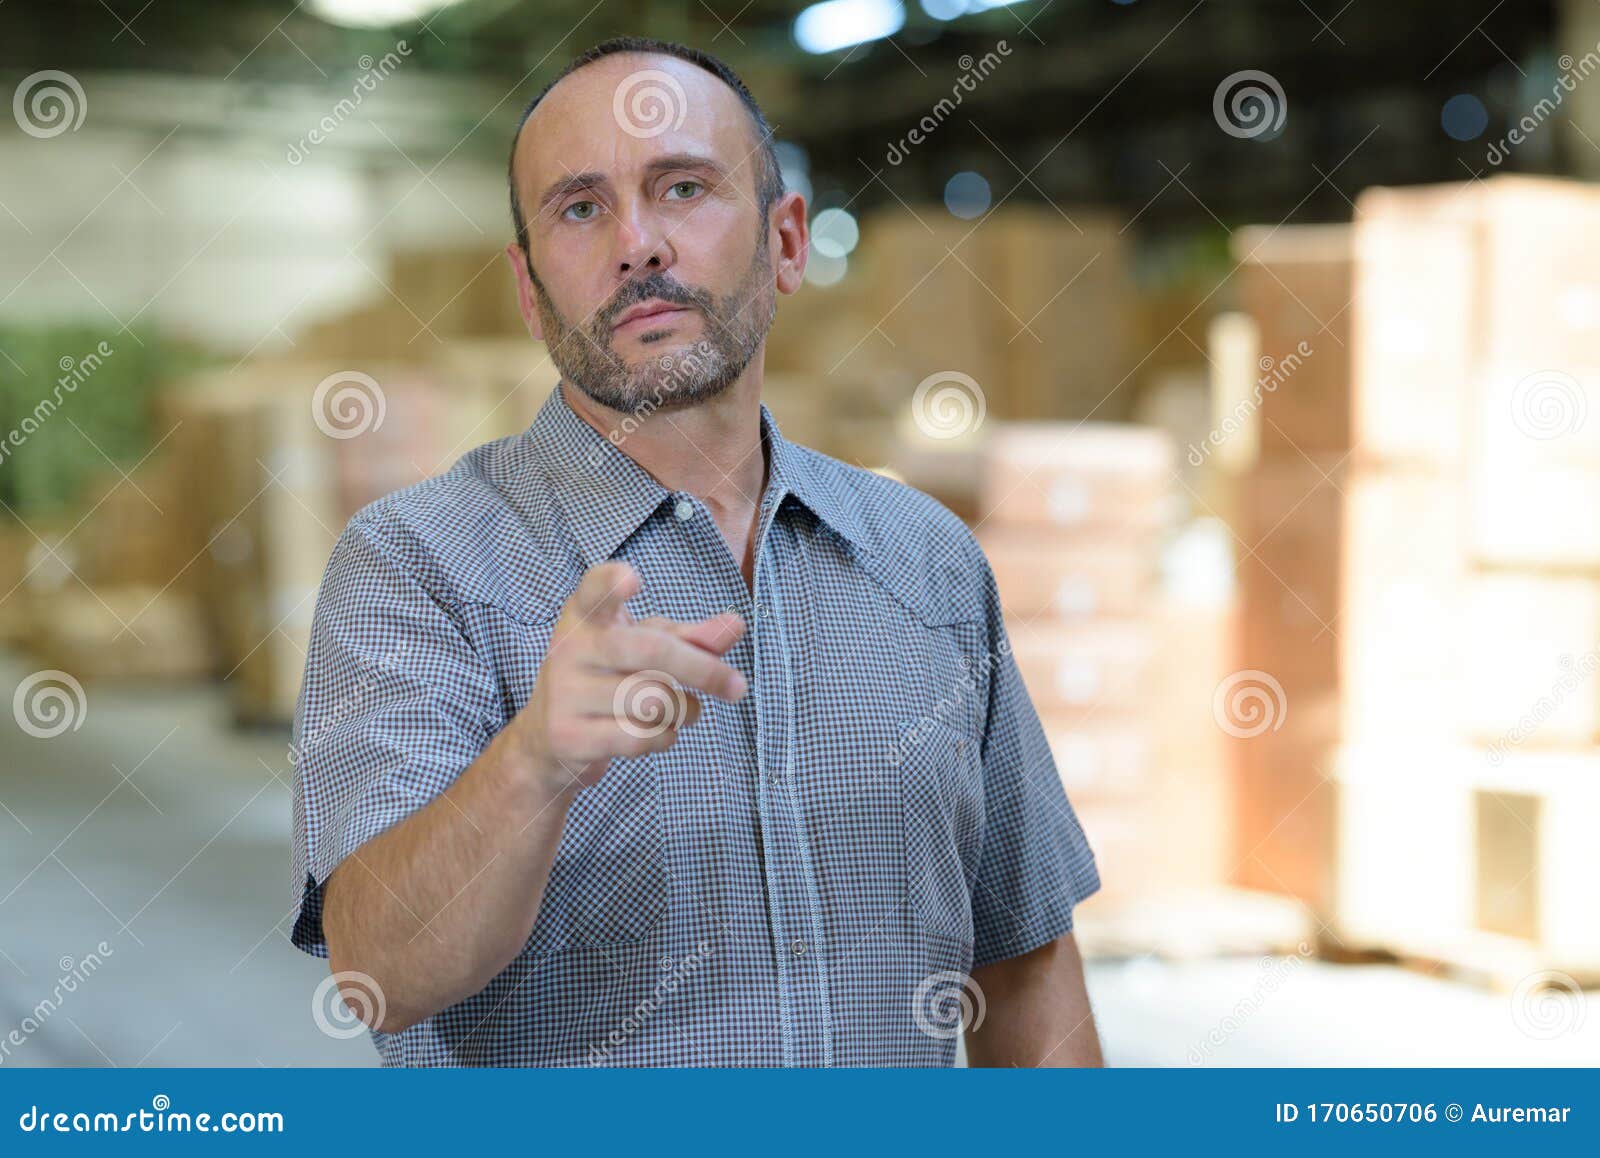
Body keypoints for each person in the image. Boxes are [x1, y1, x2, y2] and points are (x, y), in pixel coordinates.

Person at [289, 35, 1103, 1067]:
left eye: (682, 188)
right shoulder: (416, 565)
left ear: (789, 242)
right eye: (579, 208)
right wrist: (532, 764)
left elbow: (1025, 959)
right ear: (531, 291)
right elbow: (379, 974)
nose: (637, 244)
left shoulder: (927, 561)